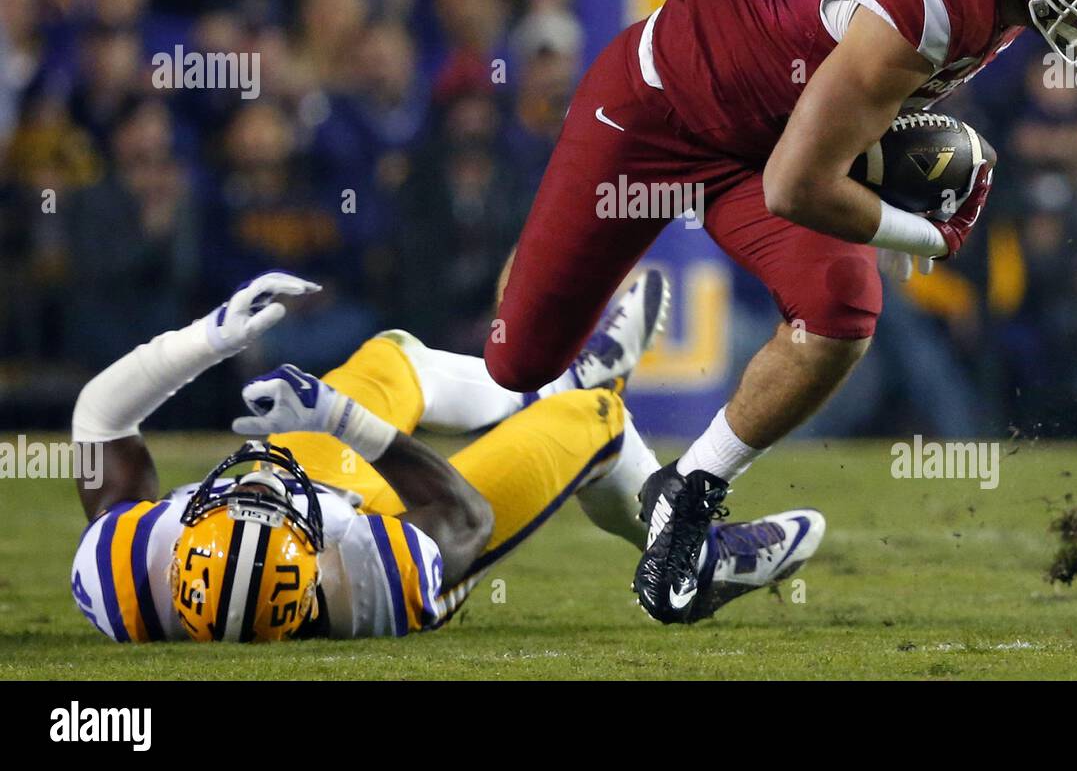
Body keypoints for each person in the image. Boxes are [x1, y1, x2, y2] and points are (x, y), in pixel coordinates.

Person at [483, 0, 1077, 622]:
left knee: (842, 309)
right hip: (655, 108)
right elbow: (797, 187)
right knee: (517, 362)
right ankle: (583, 372)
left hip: (767, 131)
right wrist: (932, 237)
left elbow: (831, 89)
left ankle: (691, 494)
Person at [69, 270, 824, 642]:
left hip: (321, 500)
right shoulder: (362, 581)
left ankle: (555, 378)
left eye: (239, 496)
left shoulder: (125, 570)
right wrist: (337, 417)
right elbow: (460, 514)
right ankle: (696, 558)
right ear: (312, 560)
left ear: (182, 544)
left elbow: (99, 415)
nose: (255, 479)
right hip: (412, 523)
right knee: (597, 421)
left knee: (393, 356)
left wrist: (209, 338)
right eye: (261, 500)